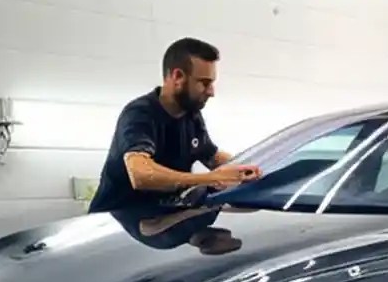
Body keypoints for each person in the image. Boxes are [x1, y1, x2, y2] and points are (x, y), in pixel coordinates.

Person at [88, 37, 261, 214]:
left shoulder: (191, 115)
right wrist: (210, 178)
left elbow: (213, 157)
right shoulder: (140, 114)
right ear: (178, 77)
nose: (211, 92)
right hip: (118, 224)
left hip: (160, 224)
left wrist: (256, 168)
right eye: (205, 83)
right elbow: (141, 174)